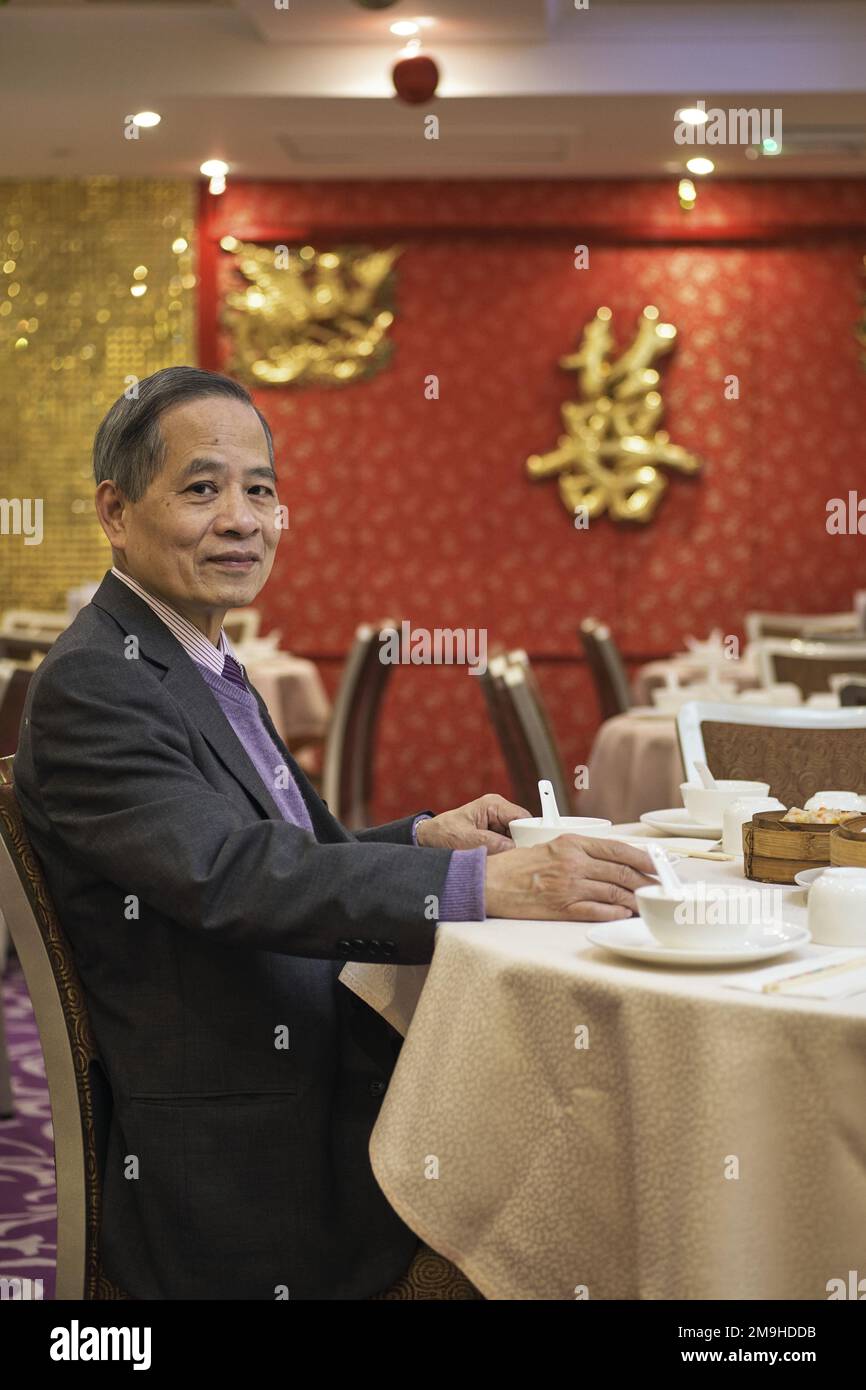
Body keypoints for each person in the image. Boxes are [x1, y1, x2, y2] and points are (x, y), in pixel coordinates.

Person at [13, 366, 653, 1299]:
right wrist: (487, 890)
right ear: (115, 511)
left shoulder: (196, 660)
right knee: (599, 1174)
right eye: (202, 488)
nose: (242, 519)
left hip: (315, 1071)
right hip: (252, 1157)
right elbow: (229, 875)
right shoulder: (96, 683)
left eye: (260, 490)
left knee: (594, 1125)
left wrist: (425, 839)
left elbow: (296, 851)